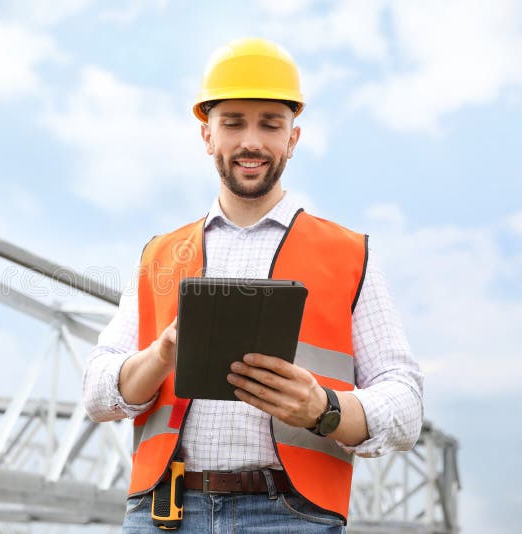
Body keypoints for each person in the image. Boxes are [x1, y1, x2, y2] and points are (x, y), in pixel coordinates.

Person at [82, 37, 423, 533]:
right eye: (233, 122)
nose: (252, 142)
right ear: (206, 134)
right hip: (166, 512)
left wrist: (323, 408)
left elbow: (406, 404)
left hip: (291, 516)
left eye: (270, 123)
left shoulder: (350, 255)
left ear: (293, 138)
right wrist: (159, 357)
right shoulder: (159, 255)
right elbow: (97, 393)